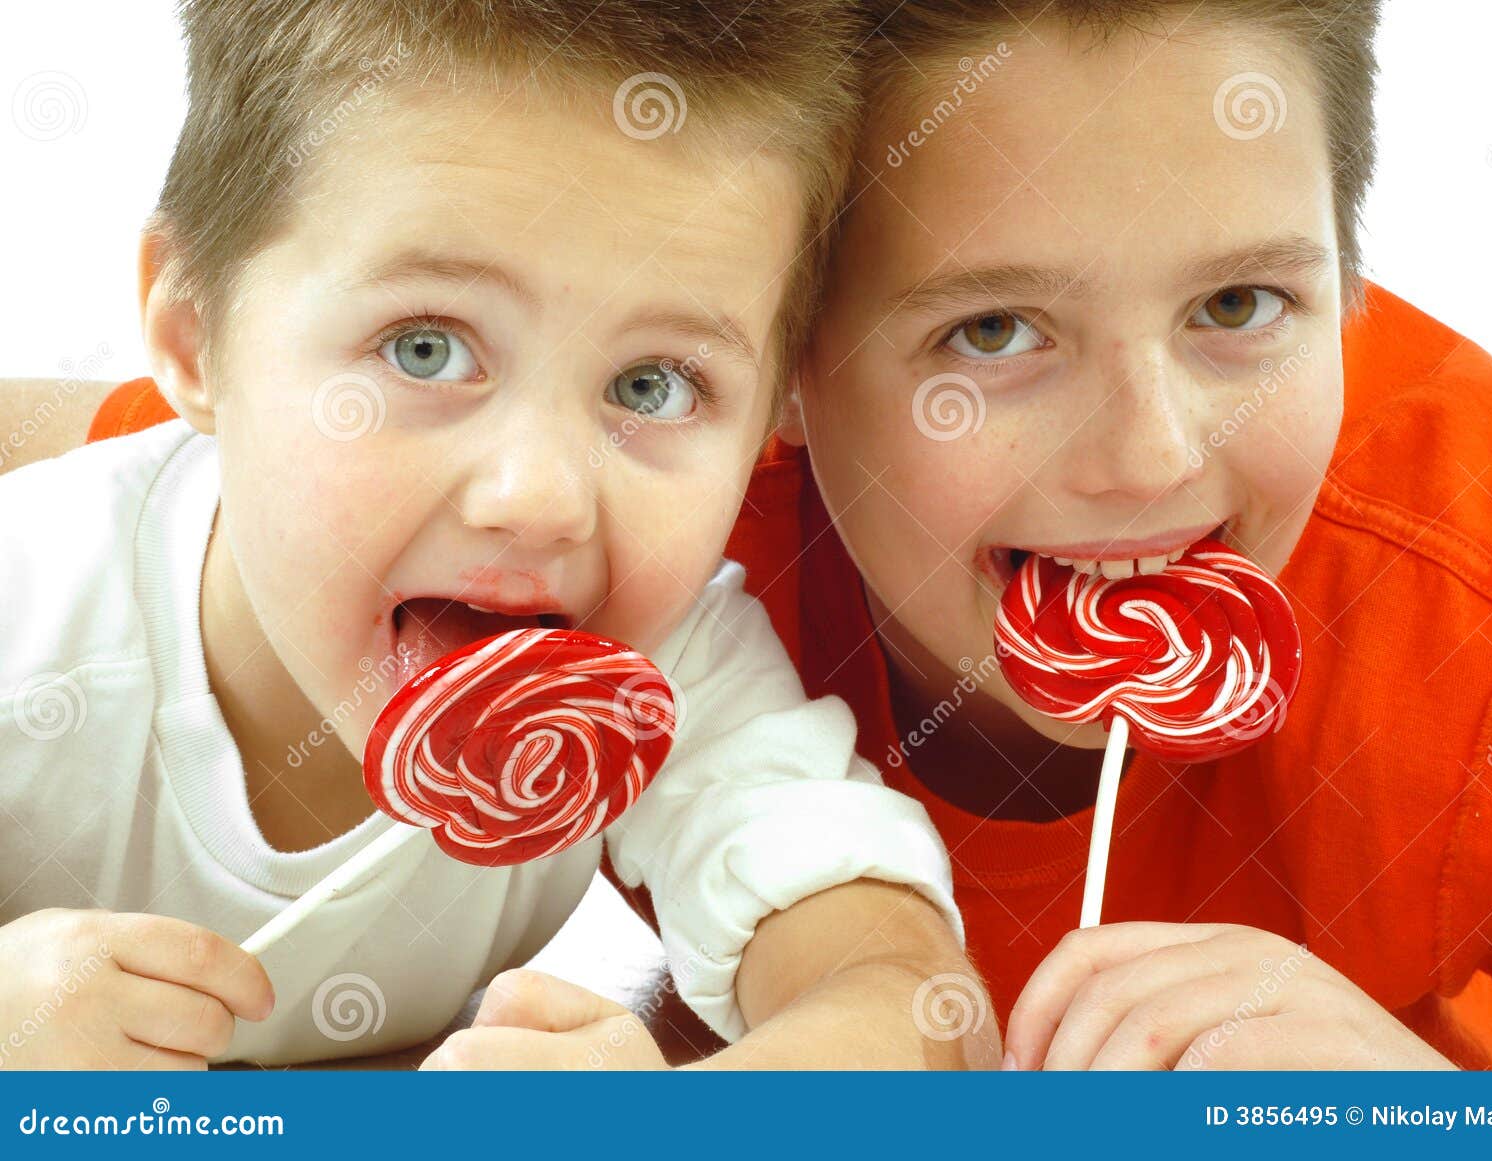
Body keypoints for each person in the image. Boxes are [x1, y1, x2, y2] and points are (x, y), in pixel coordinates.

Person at [0, 0, 995, 1070]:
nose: (541, 497)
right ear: (194, 338)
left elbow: (910, 1006)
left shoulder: (662, 672)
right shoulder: (34, 618)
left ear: (765, 425)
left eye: (650, 385)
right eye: (424, 348)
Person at [726, 0, 1492, 1069]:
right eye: (992, 332)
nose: (1154, 459)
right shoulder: (669, 559)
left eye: (1236, 305)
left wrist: (1425, 1111)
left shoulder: (1487, 584)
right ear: (775, 364)